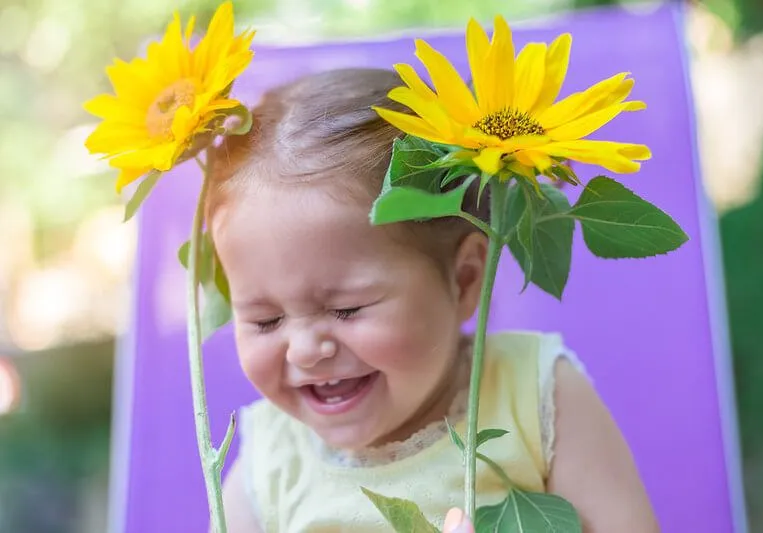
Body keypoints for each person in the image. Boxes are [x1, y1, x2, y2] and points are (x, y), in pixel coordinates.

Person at [209, 67, 660, 532]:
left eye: (346, 309)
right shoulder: (270, 463)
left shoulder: (536, 396)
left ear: (464, 280)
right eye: (265, 320)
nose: (304, 349)